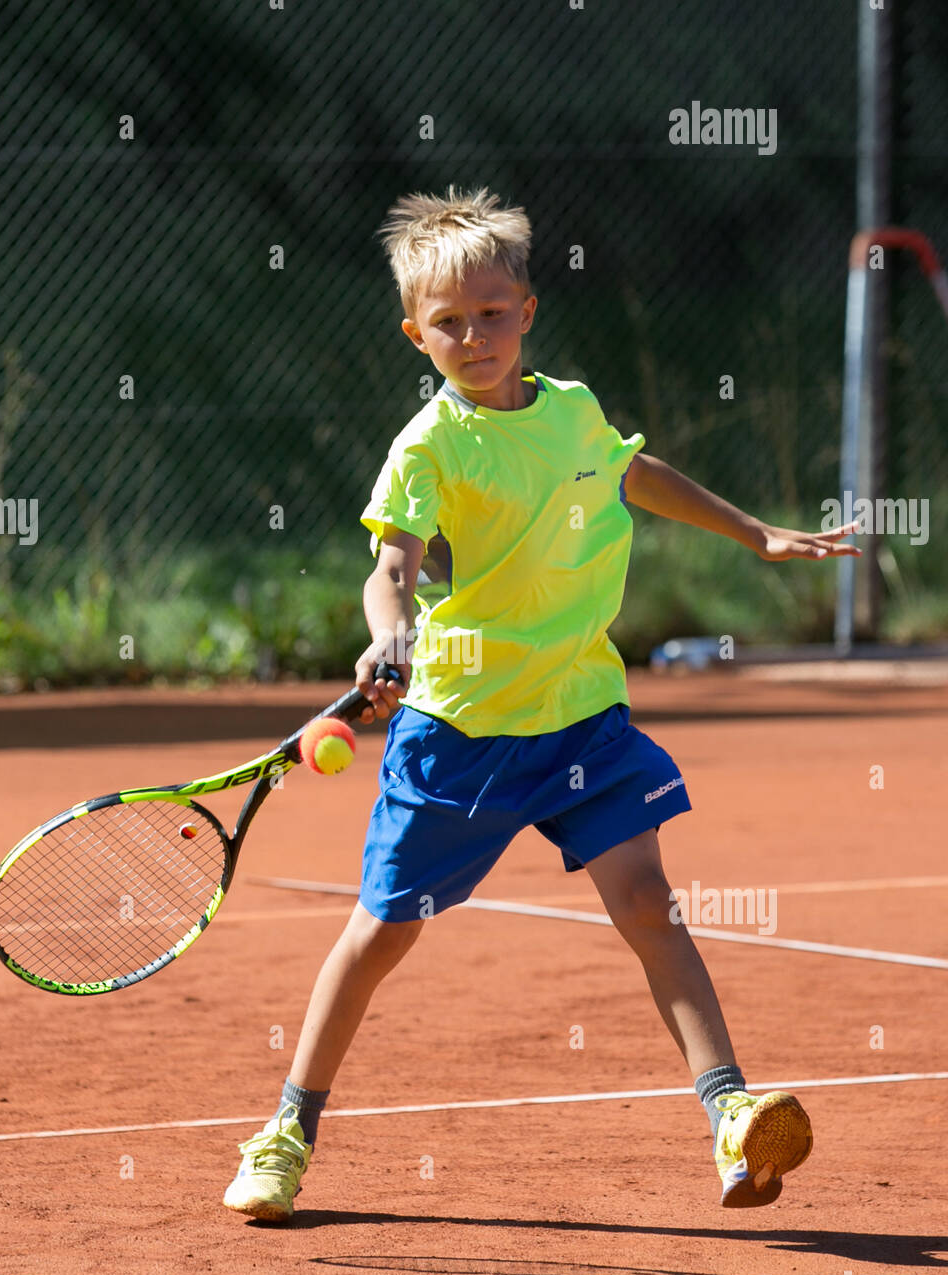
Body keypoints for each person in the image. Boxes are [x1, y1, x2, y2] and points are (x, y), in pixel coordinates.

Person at [223, 185, 860, 1222]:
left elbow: (625, 474)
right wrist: (389, 627)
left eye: (488, 312)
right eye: (446, 322)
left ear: (525, 309)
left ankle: (729, 1113)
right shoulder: (427, 446)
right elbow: (393, 565)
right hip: (461, 734)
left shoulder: (569, 408)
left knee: (647, 904)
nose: (470, 335)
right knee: (381, 936)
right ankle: (287, 1127)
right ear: (414, 333)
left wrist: (753, 533)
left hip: (579, 716)